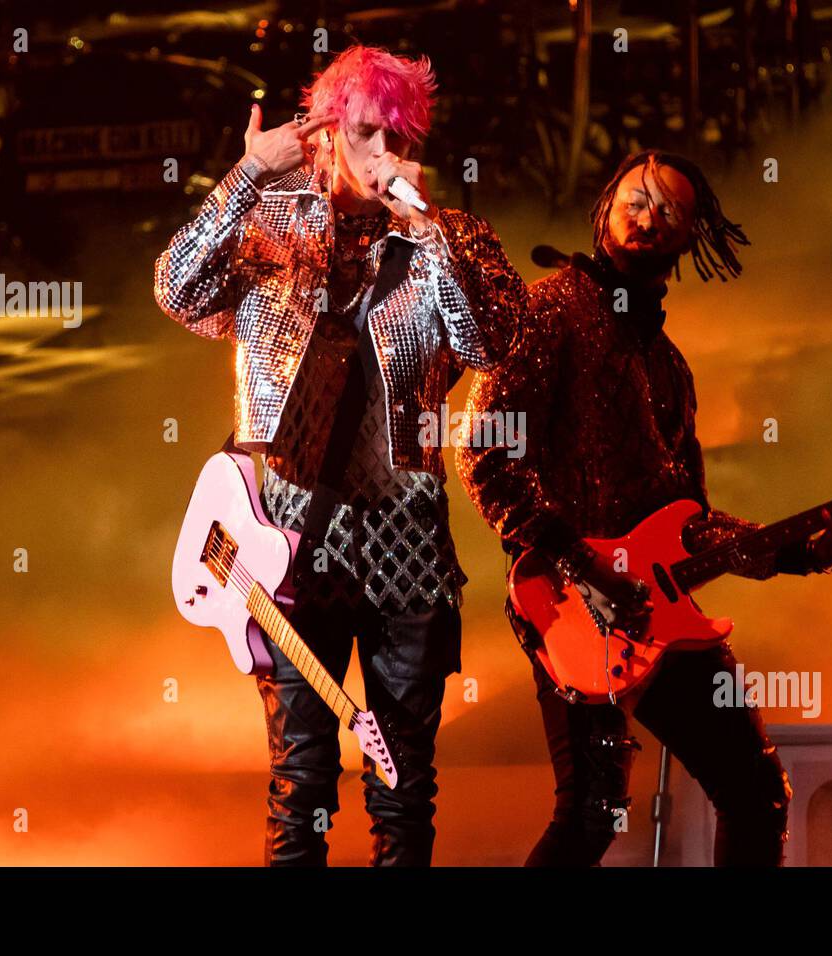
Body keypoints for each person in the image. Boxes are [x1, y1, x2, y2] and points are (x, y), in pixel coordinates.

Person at [155, 44, 525, 866]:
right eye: (366, 133)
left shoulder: (449, 240)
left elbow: (492, 341)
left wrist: (429, 232)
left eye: (401, 136)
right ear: (324, 134)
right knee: (302, 785)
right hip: (287, 545)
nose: (385, 154)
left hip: (407, 551)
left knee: (403, 793)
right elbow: (177, 291)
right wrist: (244, 177)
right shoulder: (267, 227)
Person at [456, 150, 832, 866]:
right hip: (570, 606)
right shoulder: (548, 311)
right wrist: (583, 567)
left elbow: (691, 520)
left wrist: (805, 549)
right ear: (605, 211)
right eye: (637, 201)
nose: (649, 217)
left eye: (670, 211)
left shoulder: (670, 366)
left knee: (755, 790)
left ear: (692, 236)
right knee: (593, 815)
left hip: (660, 612)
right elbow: (485, 456)